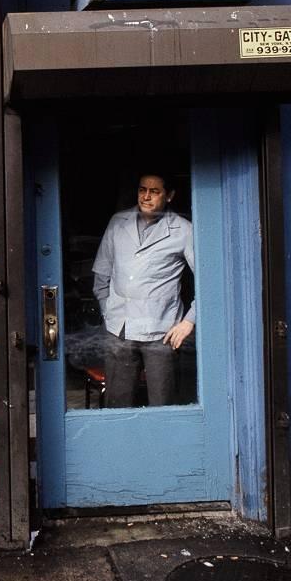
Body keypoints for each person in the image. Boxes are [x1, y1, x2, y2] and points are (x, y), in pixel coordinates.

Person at [92, 172, 195, 408]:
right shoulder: (118, 222)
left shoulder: (182, 230)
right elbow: (101, 273)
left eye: (154, 191)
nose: (146, 197)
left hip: (161, 332)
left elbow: (207, 278)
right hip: (119, 328)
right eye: (142, 190)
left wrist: (188, 321)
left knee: (163, 406)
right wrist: (108, 310)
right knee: (117, 406)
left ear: (169, 196)